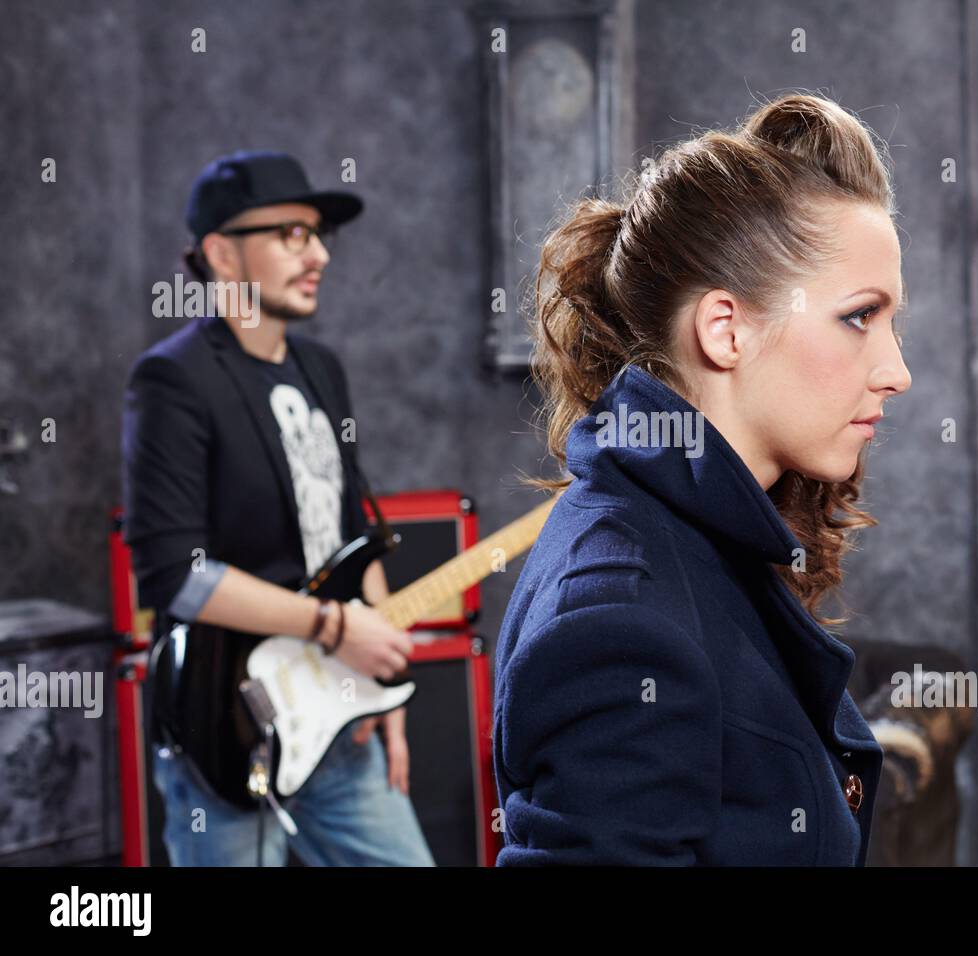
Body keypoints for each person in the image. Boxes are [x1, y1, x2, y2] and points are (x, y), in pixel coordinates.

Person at [493, 94, 912, 865]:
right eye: (859, 317)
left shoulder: (703, 539)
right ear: (726, 330)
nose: (896, 371)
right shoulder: (621, 621)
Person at [121, 150, 434, 866]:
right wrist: (332, 627)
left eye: (318, 233)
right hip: (227, 724)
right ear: (222, 255)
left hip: (340, 718)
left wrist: (382, 685)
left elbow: (354, 535)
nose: (318, 252)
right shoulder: (172, 379)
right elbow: (177, 575)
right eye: (291, 233)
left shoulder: (322, 369)